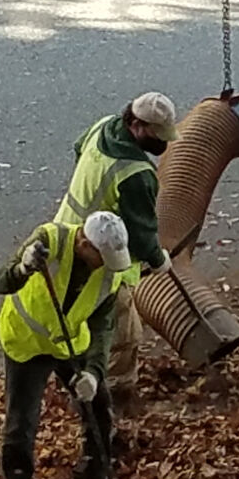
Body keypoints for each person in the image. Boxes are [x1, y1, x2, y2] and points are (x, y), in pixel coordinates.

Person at [0, 210, 141, 479]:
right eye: (100, 257)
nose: (105, 265)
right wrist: (24, 268)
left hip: (69, 344)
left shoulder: (109, 274)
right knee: (22, 425)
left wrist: (93, 372)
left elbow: (103, 327)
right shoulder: (49, 241)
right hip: (26, 343)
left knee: (99, 408)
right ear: (84, 243)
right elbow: (1, 282)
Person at [52, 92, 179, 408]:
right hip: (102, 258)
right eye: (155, 135)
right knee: (124, 334)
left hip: (66, 235)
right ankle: (114, 398)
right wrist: (158, 260)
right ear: (136, 124)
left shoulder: (102, 127)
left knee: (74, 317)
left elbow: (78, 148)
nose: (161, 144)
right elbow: (141, 233)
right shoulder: (136, 175)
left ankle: (72, 379)